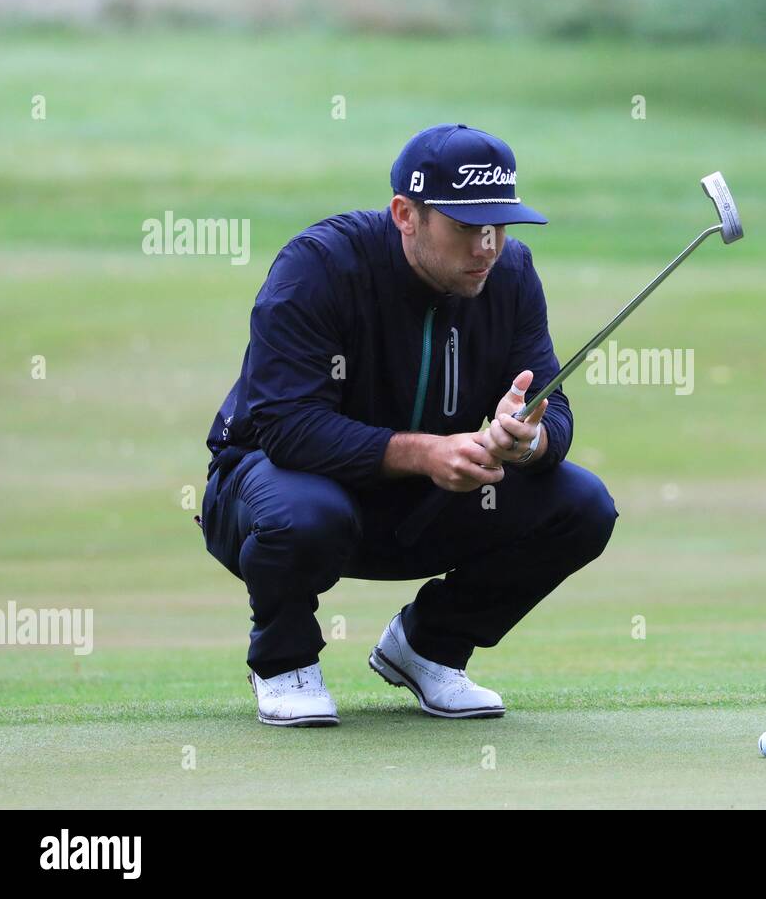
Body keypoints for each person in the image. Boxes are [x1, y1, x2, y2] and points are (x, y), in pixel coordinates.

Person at [198, 124, 619, 727]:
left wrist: (524, 440)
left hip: (421, 506)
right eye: (466, 228)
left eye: (499, 225)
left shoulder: (512, 275)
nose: (487, 246)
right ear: (405, 215)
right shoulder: (318, 266)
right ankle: (284, 661)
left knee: (583, 505)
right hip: (271, 494)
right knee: (305, 510)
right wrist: (426, 454)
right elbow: (285, 427)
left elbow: (557, 413)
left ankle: (430, 647)